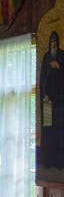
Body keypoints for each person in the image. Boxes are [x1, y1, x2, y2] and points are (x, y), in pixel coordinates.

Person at [40, 31, 64, 168]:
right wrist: (44, 94)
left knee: (59, 130)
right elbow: (42, 77)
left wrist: (59, 67)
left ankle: (59, 162)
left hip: (60, 101)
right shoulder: (46, 57)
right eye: (51, 43)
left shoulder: (62, 55)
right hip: (47, 101)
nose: (53, 45)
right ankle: (48, 162)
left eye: (55, 42)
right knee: (48, 129)